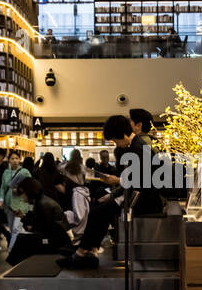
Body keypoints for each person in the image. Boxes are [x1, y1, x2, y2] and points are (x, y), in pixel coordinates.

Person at [58, 114, 165, 270]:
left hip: (143, 199)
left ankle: (82, 253)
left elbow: (141, 182)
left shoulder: (139, 150)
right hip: (139, 196)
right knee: (99, 210)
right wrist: (113, 193)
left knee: (97, 212)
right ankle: (90, 251)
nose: (116, 144)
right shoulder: (137, 147)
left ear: (122, 135)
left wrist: (116, 181)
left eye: (115, 140)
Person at [7, 177, 72, 265]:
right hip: (55, 237)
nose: (22, 197)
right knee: (23, 239)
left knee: (22, 240)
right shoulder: (40, 201)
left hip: (57, 241)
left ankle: (16, 265)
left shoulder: (43, 204)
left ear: (29, 192)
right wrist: (24, 218)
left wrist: (28, 223)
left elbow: (43, 227)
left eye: (23, 193)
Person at [0, 152, 31, 248]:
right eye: (12, 158)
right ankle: (18, 247)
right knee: (12, 227)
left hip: (20, 204)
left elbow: (31, 185)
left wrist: (19, 190)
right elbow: (3, 187)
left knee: (17, 227)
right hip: (8, 204)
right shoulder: (6, 172)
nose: (15, 160)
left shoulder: (24, 171)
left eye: (17, 158)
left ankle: (12, 249)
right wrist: (1, 200)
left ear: (20, 159)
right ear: (9, 160)